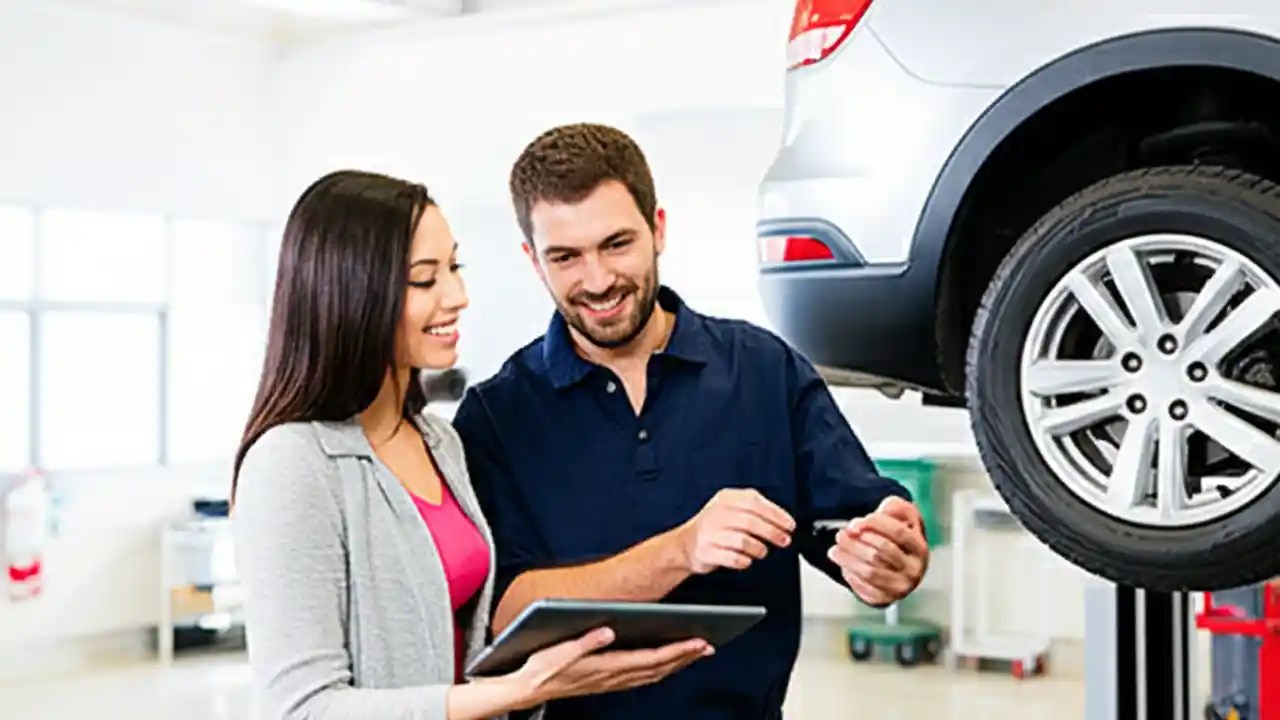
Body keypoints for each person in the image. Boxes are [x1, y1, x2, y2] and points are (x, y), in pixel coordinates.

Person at [451, 124, 931, 720]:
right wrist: (682, 549)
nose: (598, 280)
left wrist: (887, 558)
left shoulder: (765, 370)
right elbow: (508, 612)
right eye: (566, 257)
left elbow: (855, 525)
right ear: (533, 260)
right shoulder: (497, 415)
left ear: (658, 229)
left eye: (617, 244)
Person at [229, 169, 714, 720]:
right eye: (423, 279)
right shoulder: (292, 463)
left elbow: (466, 645)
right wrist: (519, 690)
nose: (457, 297)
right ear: (350, 290)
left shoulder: (438, 439)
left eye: (454, 268)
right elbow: (303, 709)